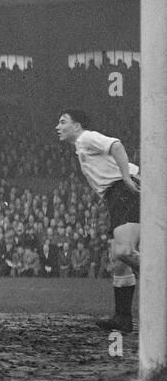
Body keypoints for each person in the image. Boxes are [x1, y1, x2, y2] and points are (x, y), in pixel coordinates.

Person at [55, 109, 140, 329]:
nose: (58, 126)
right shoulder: (80, 146)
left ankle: (157, 276)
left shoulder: (86, 137)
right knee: (119, 262)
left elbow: (116, 145)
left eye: (63, 122)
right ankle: (123, 318)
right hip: (116, 193)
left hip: (123, 189)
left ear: (77, 126)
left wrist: (125, 178)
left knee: (124, 251)